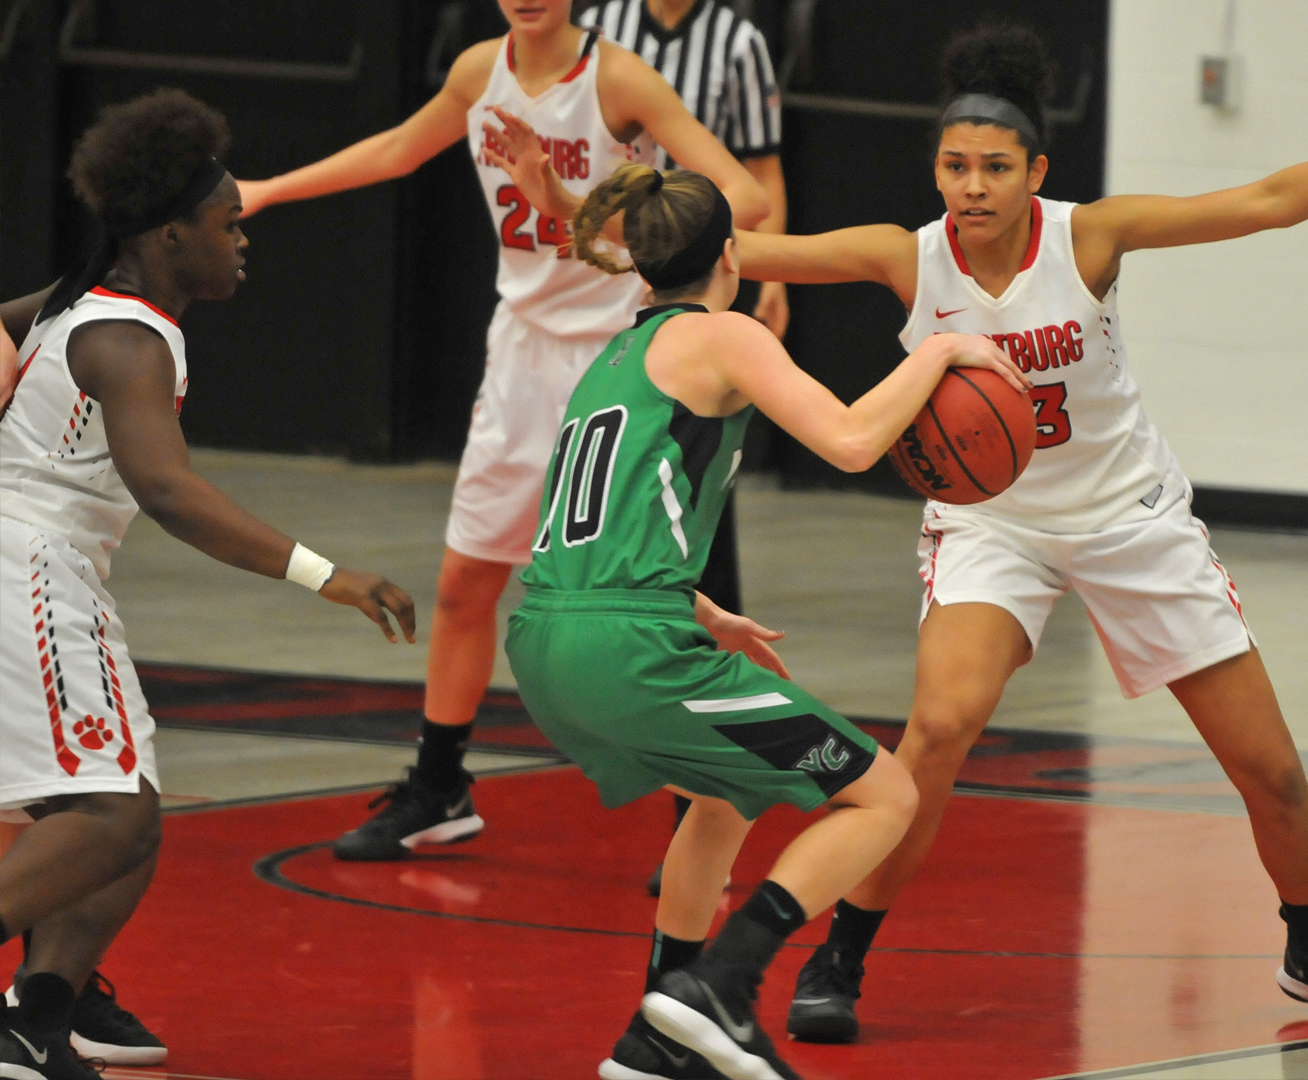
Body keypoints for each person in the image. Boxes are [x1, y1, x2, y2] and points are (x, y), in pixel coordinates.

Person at [493, 22, 1308, 1040]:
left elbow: (1263, 204)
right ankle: (842, 952)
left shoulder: (1092, 237)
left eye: (993, 167)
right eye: (953, 166)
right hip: (991, 525)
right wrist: (564, 206)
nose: (971, 186)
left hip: (1129, 517)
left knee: (1270, 769)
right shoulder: (907, 256)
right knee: (937, 729)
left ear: (1036, 170)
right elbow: (694, 243)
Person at [495, 162, 1025, 1079]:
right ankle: (722, 986)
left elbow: (589, 523)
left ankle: (657, 1036)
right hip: (629, 651)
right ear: (731, 255)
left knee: (724, 795)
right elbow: (855, 441)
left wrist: (700, 610)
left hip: (548, 638)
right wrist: (938, 354)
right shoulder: (723, 336)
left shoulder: (612, 357)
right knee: (887, 796)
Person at [234, 0, 768, 862]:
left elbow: (739, 197)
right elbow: (397, 149)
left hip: (624, 356)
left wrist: (573, 207)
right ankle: (440, 785)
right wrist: (270, 189)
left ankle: (698, 811)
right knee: (465, 582)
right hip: (521, 351)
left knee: (651, 596)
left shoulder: (620, 79)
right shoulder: (478, 71)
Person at [0, 89, 417, 1080]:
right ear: (170, 233)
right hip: (32, 572)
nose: (243, 242)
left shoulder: (80, 304)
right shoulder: (128, 340)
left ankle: (38, 1015)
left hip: (46, 573)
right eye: (228, 225)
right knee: (114, 817)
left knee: (123, 810)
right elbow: (169, 488)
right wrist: (327, 574)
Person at [581, 0, 793, 896]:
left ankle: (699, 803)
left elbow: (760, 171)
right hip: (628, 289)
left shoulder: (736, 42)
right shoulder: (599, 27)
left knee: (697, 534)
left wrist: (768, 270)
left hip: (703, 284)